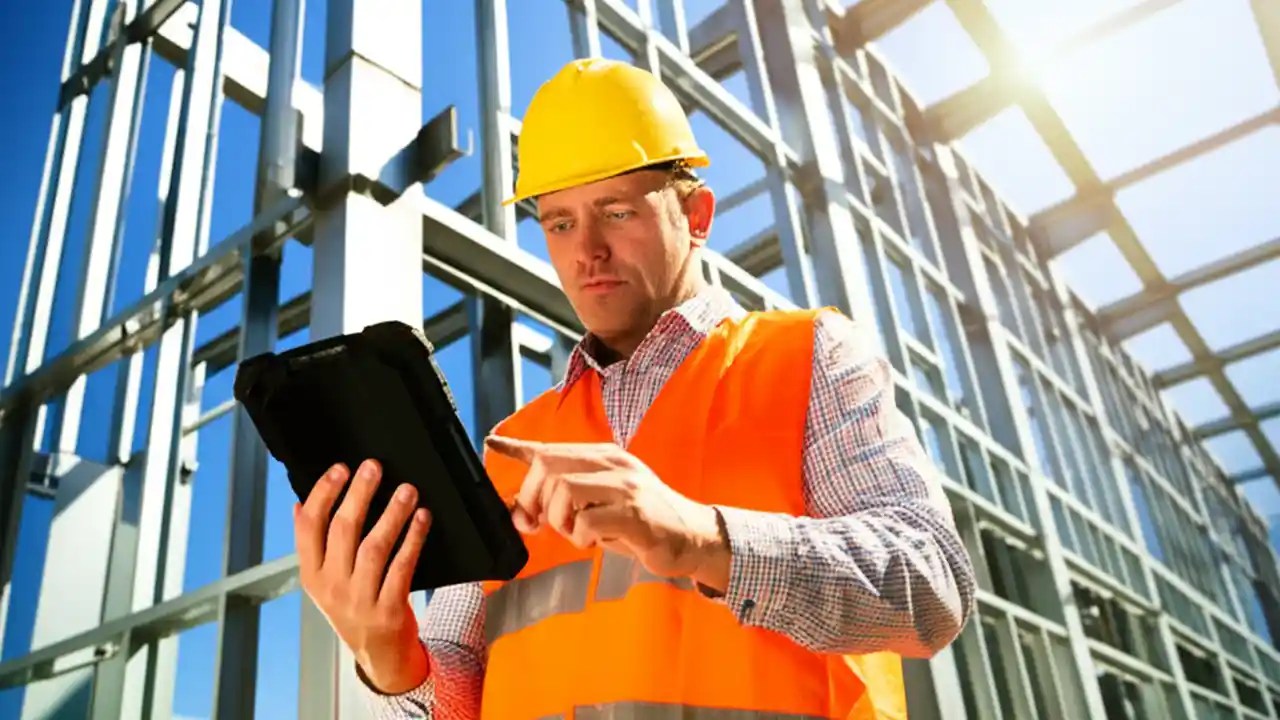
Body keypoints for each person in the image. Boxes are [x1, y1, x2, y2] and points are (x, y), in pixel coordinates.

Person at [292, 58, 976, 719]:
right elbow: (463, 700)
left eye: (616, 211)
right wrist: (389, 656)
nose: (586, 250)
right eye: (560, 222)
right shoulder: (512, 446)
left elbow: (933, 588)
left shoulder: (808, 356)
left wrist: (701, 538)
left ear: (697, 216)